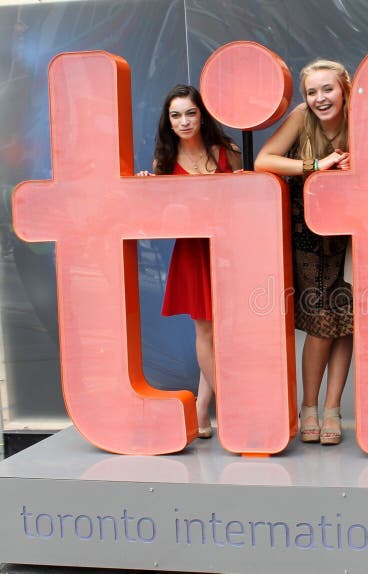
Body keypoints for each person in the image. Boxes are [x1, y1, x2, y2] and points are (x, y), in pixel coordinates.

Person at [254, 60, 352, 445]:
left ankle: (333, 409)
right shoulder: (301, 117)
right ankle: (308, 406)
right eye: (312, 91)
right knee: (321, 324)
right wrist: (316, 164)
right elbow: (264, 160)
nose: (319, 98)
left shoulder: (362, 120)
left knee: (348, 323)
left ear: (344, 88)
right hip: (309, 236)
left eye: (327, 89)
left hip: (352, 235)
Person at [139, 84, 242, 438]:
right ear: (168, 122)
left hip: (229, 250)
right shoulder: (163, 163)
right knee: (207, 329)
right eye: (176, 115)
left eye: (190, 113)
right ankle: (233, 409)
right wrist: (148, 187)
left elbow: (244, 201)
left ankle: (201, 409)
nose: (184, 121)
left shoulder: (227, 152)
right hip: (192, 252)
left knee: (224, 331)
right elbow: (161, 217)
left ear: (202, 115)